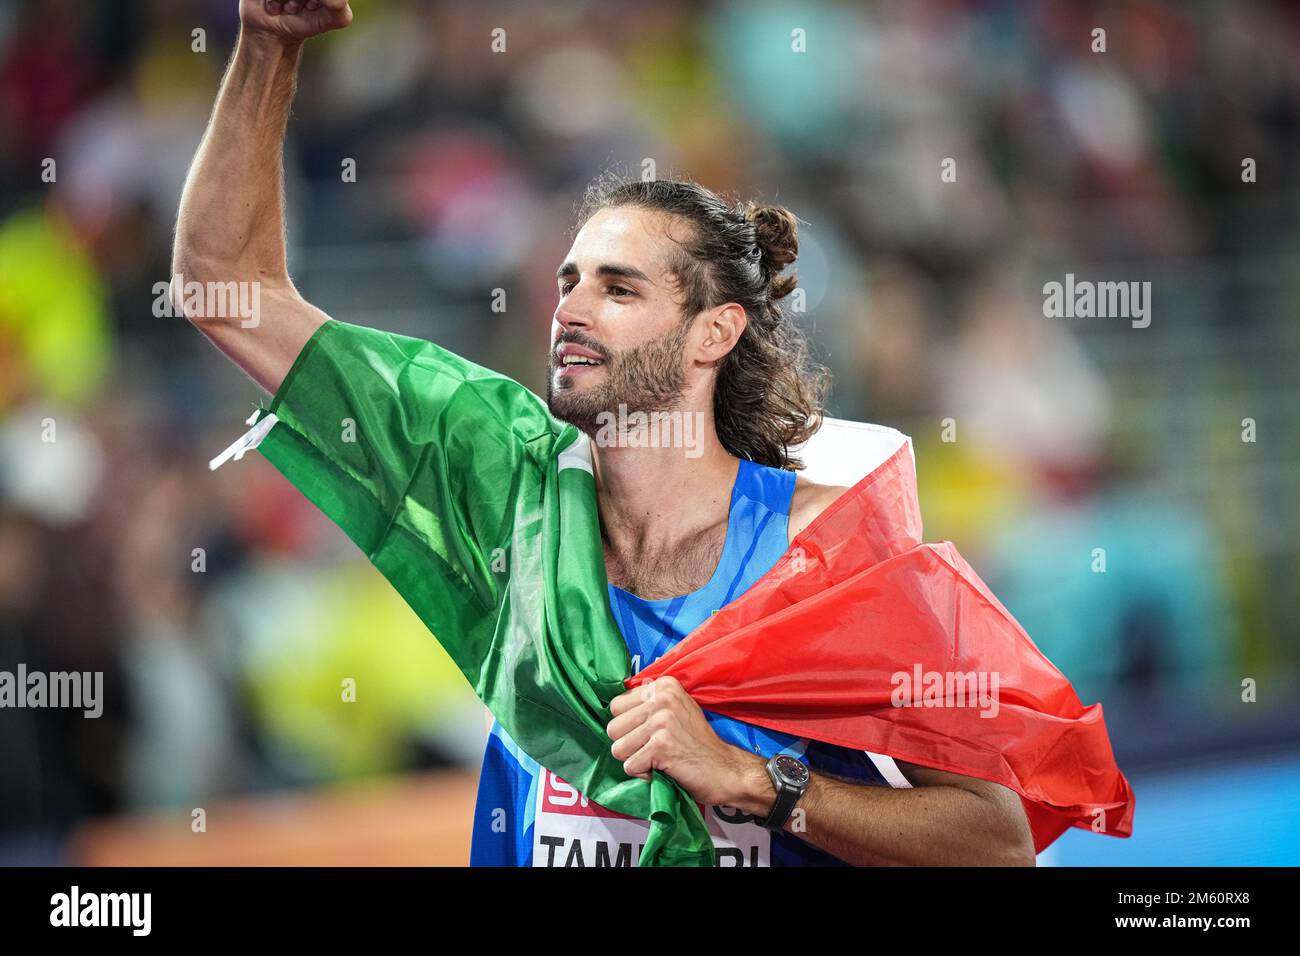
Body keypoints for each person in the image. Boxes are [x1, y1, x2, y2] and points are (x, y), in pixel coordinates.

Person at [171, 0, 1036, 866]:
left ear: (715, 332)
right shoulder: (502, 482)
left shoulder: (828, 550)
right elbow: (221, 288)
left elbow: (996, 842)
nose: (570, 311)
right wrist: (268, 44)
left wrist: (753, 783)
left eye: (618, 290)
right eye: (567, 281)